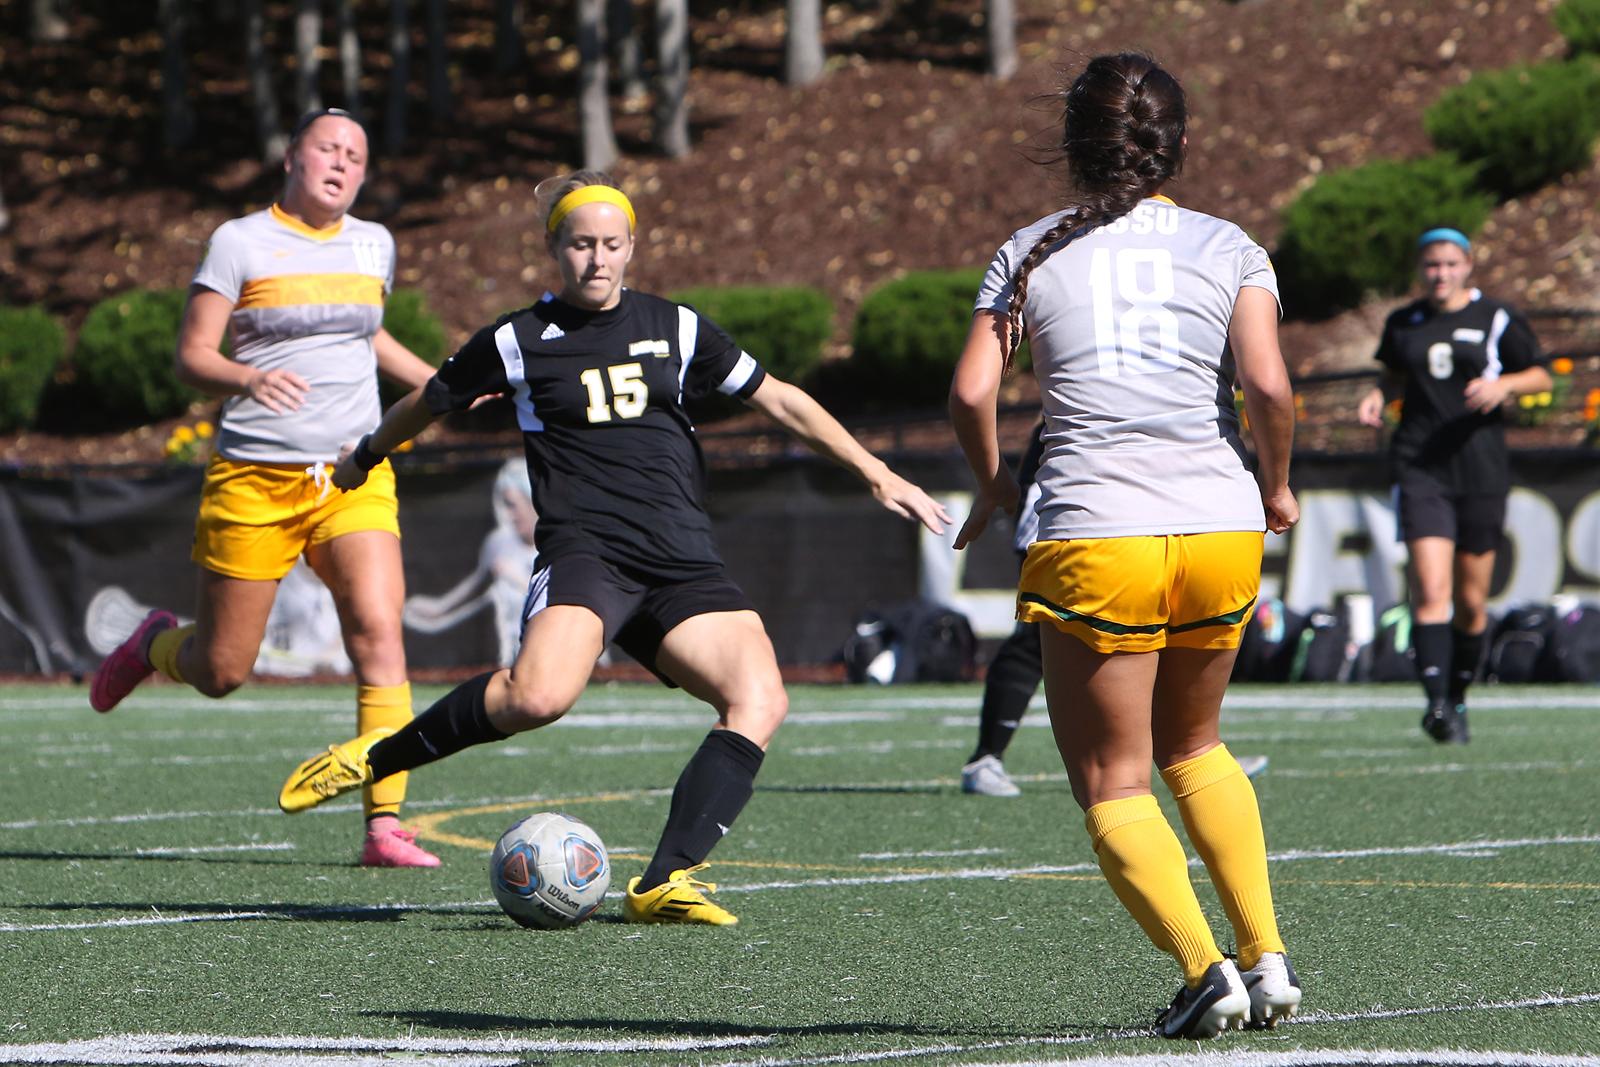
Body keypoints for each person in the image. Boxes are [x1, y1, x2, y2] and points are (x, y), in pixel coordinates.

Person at [277, 171, 951, 925]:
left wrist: (875, 469)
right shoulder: (516, 339)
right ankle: (376, 757)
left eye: (610, 244)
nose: (596, 259)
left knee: (759, 698)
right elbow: (431, 399)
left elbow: (780, 397)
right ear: (553, 249)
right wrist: (364, 454)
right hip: (587, 554)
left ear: (632, 247)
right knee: (537, 696)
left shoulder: (677, 325)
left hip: (681, 559)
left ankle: (665, 879)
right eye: (580, 244)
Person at [948, 54, 1302, 1038]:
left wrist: (991, 484)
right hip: (1220, 526)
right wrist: (1274, 484)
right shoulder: (1227, 243)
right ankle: (1265, 956)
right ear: (1176, 143)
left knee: (1114, 778)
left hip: (1099, 530)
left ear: (1073, 144)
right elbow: (1269, 389)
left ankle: (1204, 972)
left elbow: (973, 390)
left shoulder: (1029, 248)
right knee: (1197, 744)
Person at [88, 108, 443, 868]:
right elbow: (191, 355)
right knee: (221, 670)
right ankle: (154, 642)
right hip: (253, 479)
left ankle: (385, 824)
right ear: (292, 157)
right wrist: (249, 375)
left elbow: (364, 332)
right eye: (329, 148)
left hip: (352, 474)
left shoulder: (374, 243)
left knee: (380, 632)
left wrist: (441, 386)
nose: (343, 162)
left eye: (356, 154)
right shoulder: (239, 242)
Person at [961, 421, 1269, 797]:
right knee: (1043, 629)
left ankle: (1195, 748)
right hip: (1087, 479)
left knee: (1173, 627)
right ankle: (987, 756)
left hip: (1163, 481)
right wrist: (1278, 480)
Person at [1356, 229, 1550, 745]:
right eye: (1431, 265)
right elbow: (1394, 375)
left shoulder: (1496, 318)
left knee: (1470, 602)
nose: (1440, 274)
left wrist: (1504, 384)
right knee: (1430, 591)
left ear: (1467, 266)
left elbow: (1541, 376)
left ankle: (1460, 695)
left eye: (1449, 264)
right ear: (1421, 270)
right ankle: (1436, 704)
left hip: (1480, 469)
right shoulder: (1405, 322)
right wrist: (1378, 395)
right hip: (1421, 467)